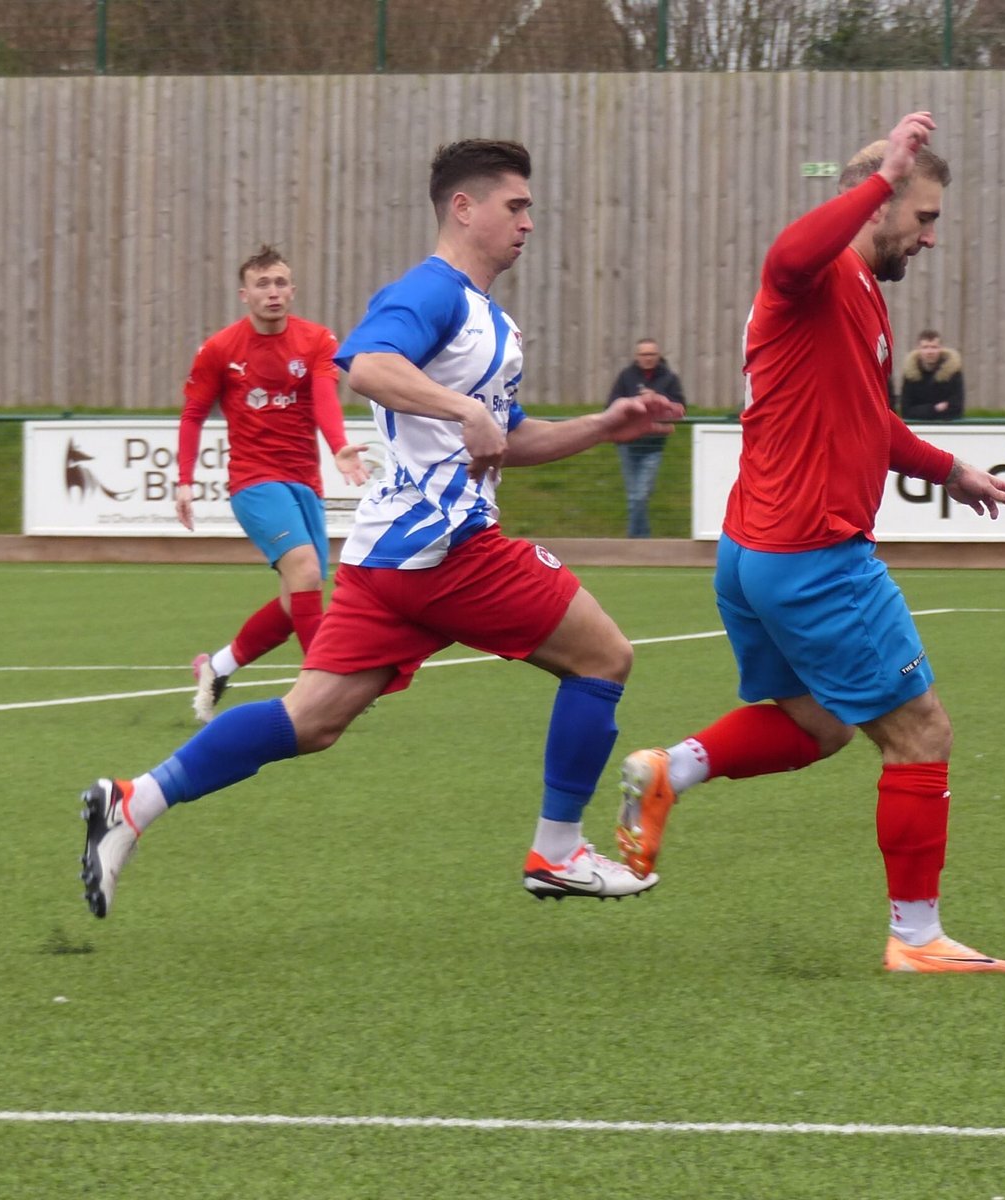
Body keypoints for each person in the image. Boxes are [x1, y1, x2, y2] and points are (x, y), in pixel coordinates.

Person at [79, 139, 683, 919]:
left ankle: (131, 804)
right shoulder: (432, 291)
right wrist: (465, 409)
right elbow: (364, 364)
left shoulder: (488, 319)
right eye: (515, 205)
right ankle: (559, 852)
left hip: (387, 554)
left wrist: (605, 425)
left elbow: (509, 439)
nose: (529, 221)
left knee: (311, 719)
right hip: (447, 547)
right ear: (463, 209)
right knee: (605, 656)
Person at [613, 112, 1005, 975]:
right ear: (874, 203)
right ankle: (917, 939)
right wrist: (884, 179)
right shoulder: (814, 274)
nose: (928, 237)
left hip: (756, 550)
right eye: (923, 217)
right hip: (813, 554)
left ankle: (671, 770)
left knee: (818, 723)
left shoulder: (861, 294)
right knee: (922, 733)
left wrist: (952, 470)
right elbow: (787, 256)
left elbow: (867, 419)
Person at [177, 246, 372, 722]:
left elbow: (325, 396)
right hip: (254, 481)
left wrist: (338, 445)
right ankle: (323, 688)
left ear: (293, 290)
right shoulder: (221, 349)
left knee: (295, 599)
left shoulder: (317, 340)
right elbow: (194, 414)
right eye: (263, 285)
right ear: (245, 295)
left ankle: (218, 667)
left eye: (281, 283)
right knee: (306, 571)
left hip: (304, 482)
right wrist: (184, 480)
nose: (273, 292)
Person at [605, 338, 686, 537]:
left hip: (653, 445)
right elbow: (611, 403)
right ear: (637, 356)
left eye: (651, 354)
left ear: (658, 356)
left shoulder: (668, 378)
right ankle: (640, 542)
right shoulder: (626, 376)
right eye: (643, 354)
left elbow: (681, 406)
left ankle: (636, 542)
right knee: (634, 497)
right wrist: (635, 401)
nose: (647, 358)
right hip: (627, 445)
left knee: (640, 495)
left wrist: (658, 397)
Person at [895, 328, 964, 421]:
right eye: (925, 347)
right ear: (919, 349)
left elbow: (956, 409)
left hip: (947, 430)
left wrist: (920, 410)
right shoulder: (910, 374)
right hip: (918, 429)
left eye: (934, 347)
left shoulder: (952, 373)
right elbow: (906, 411)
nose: (930, 352)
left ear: (940, 348)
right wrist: (935, 408)